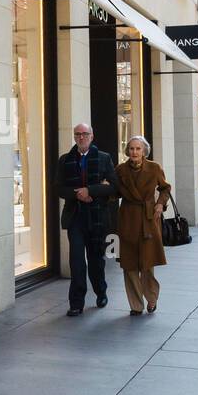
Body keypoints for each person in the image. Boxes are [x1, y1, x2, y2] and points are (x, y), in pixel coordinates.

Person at [56, 123, 118, 316]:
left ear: (92, 136)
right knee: (76, 261)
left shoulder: (104, 158)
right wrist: (78, 194)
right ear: (74, 137)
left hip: (97, 216)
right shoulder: (65, 160)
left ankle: (101, 292)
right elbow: (58, 188)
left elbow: (115, 187)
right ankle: (76, 302)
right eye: (77, 134)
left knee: (95, 259)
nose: (81, 137)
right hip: (75, 217)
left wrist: (91, 190)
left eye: (85, 134)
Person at [116, 136, 171, 316]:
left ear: (144, 151)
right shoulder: (120, 170)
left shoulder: (154, 168)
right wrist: (104, 189)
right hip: (128, 218)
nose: (134, 152)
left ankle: (152, 297)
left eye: (138, 149)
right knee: (130, 264)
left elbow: (165, 188)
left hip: (148, 218)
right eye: (131, 149)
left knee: (147, 263)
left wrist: (160, 204)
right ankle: (136, 305)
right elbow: (114, 192)